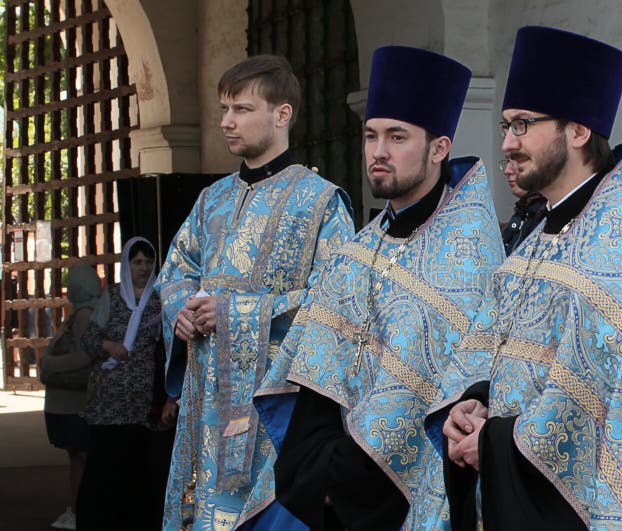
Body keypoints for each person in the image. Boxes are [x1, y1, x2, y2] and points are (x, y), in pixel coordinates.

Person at [427, 26, 622, 529]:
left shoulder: (621, 248)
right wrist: (472, 402)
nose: (508, 143)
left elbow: (595, 404)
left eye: (523, 125)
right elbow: (502, 350)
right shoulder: (538, 236)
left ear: (579, 131)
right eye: (505, 126)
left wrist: (495, 443)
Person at [249, 46, 505, 531]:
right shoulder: (354, 254)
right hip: (328, 496)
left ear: (439, 148)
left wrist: (353, 477)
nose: (378, 152)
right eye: (371, 135)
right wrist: (323, 478)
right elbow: (312, 385)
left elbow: (453, 395)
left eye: (397, 137)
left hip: (401, 503)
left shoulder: (471, 263)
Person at [155, 54, 355, 530]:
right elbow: (177, 269)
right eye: (224, 109)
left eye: (241, 109)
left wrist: (235, 312)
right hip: (205, 399)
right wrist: (180, 308)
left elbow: (338, 303)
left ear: (282, 114)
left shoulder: (321, 201)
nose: (226, 122)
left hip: (274, 404)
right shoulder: (212, 199)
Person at [76, 237, 168, 530]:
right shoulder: (113, 296)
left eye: (148, 262)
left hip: (142, 403)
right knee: (106, 468)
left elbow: (167, 346)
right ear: (127, 265)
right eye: (137, 262)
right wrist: (109, 345)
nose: (143, 268)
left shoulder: (160, 298)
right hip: (108, 402)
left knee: (138, 470)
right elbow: (88, 338)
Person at [39, 264, 102, 530]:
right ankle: (79, 510)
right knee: (78, 457)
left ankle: (80, 512)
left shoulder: (85, 315)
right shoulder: (85, 312)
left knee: (80, 459)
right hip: (69, 404)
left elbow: (85, 357)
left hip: (74, 404)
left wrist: (49, 364)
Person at [499, 158, 546, 256]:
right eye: (508, 162)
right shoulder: (524, 211)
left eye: (516, 161)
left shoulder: (547, 215)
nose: (507, 171)